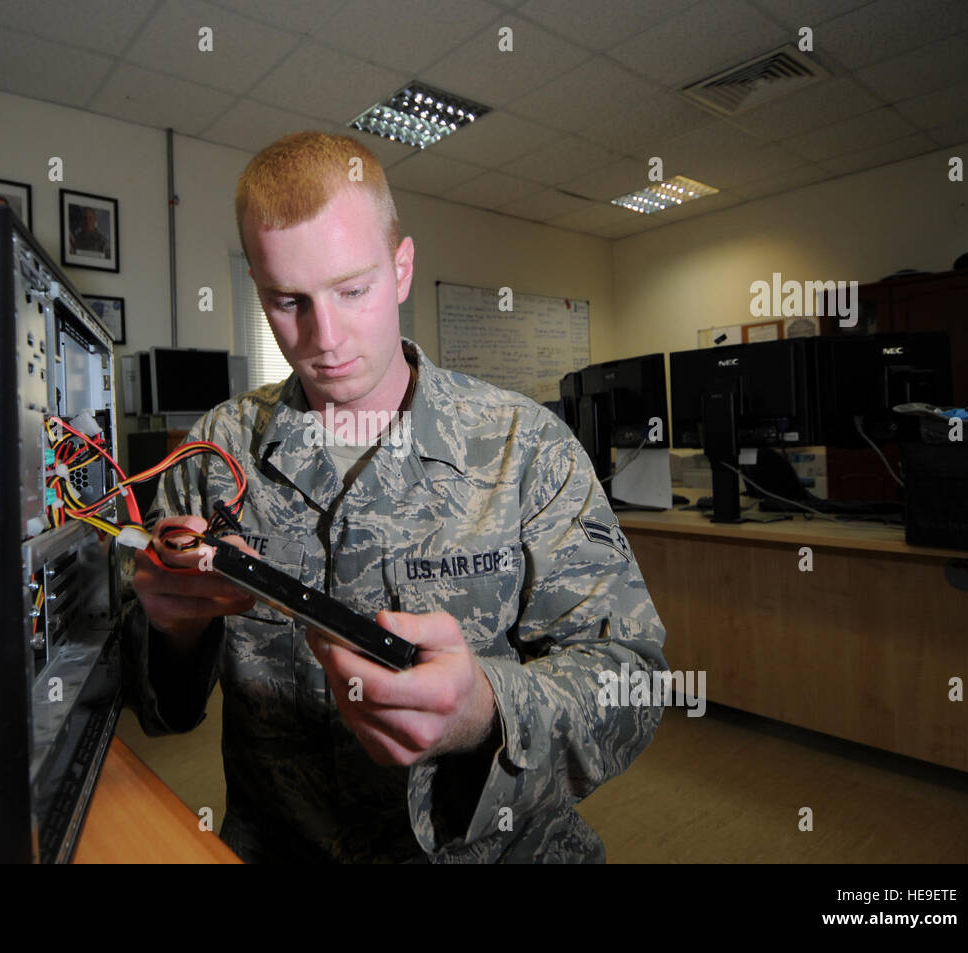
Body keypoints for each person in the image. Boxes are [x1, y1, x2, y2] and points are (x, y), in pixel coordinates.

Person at [127, 130, 668, 863]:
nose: (325, 336)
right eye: (289, 301)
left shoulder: (526, 447)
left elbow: (631, 677)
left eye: (354, 290)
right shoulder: (218, 453)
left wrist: (484, 710)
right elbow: (157, 705)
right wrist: (171, 627)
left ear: (402, 267)